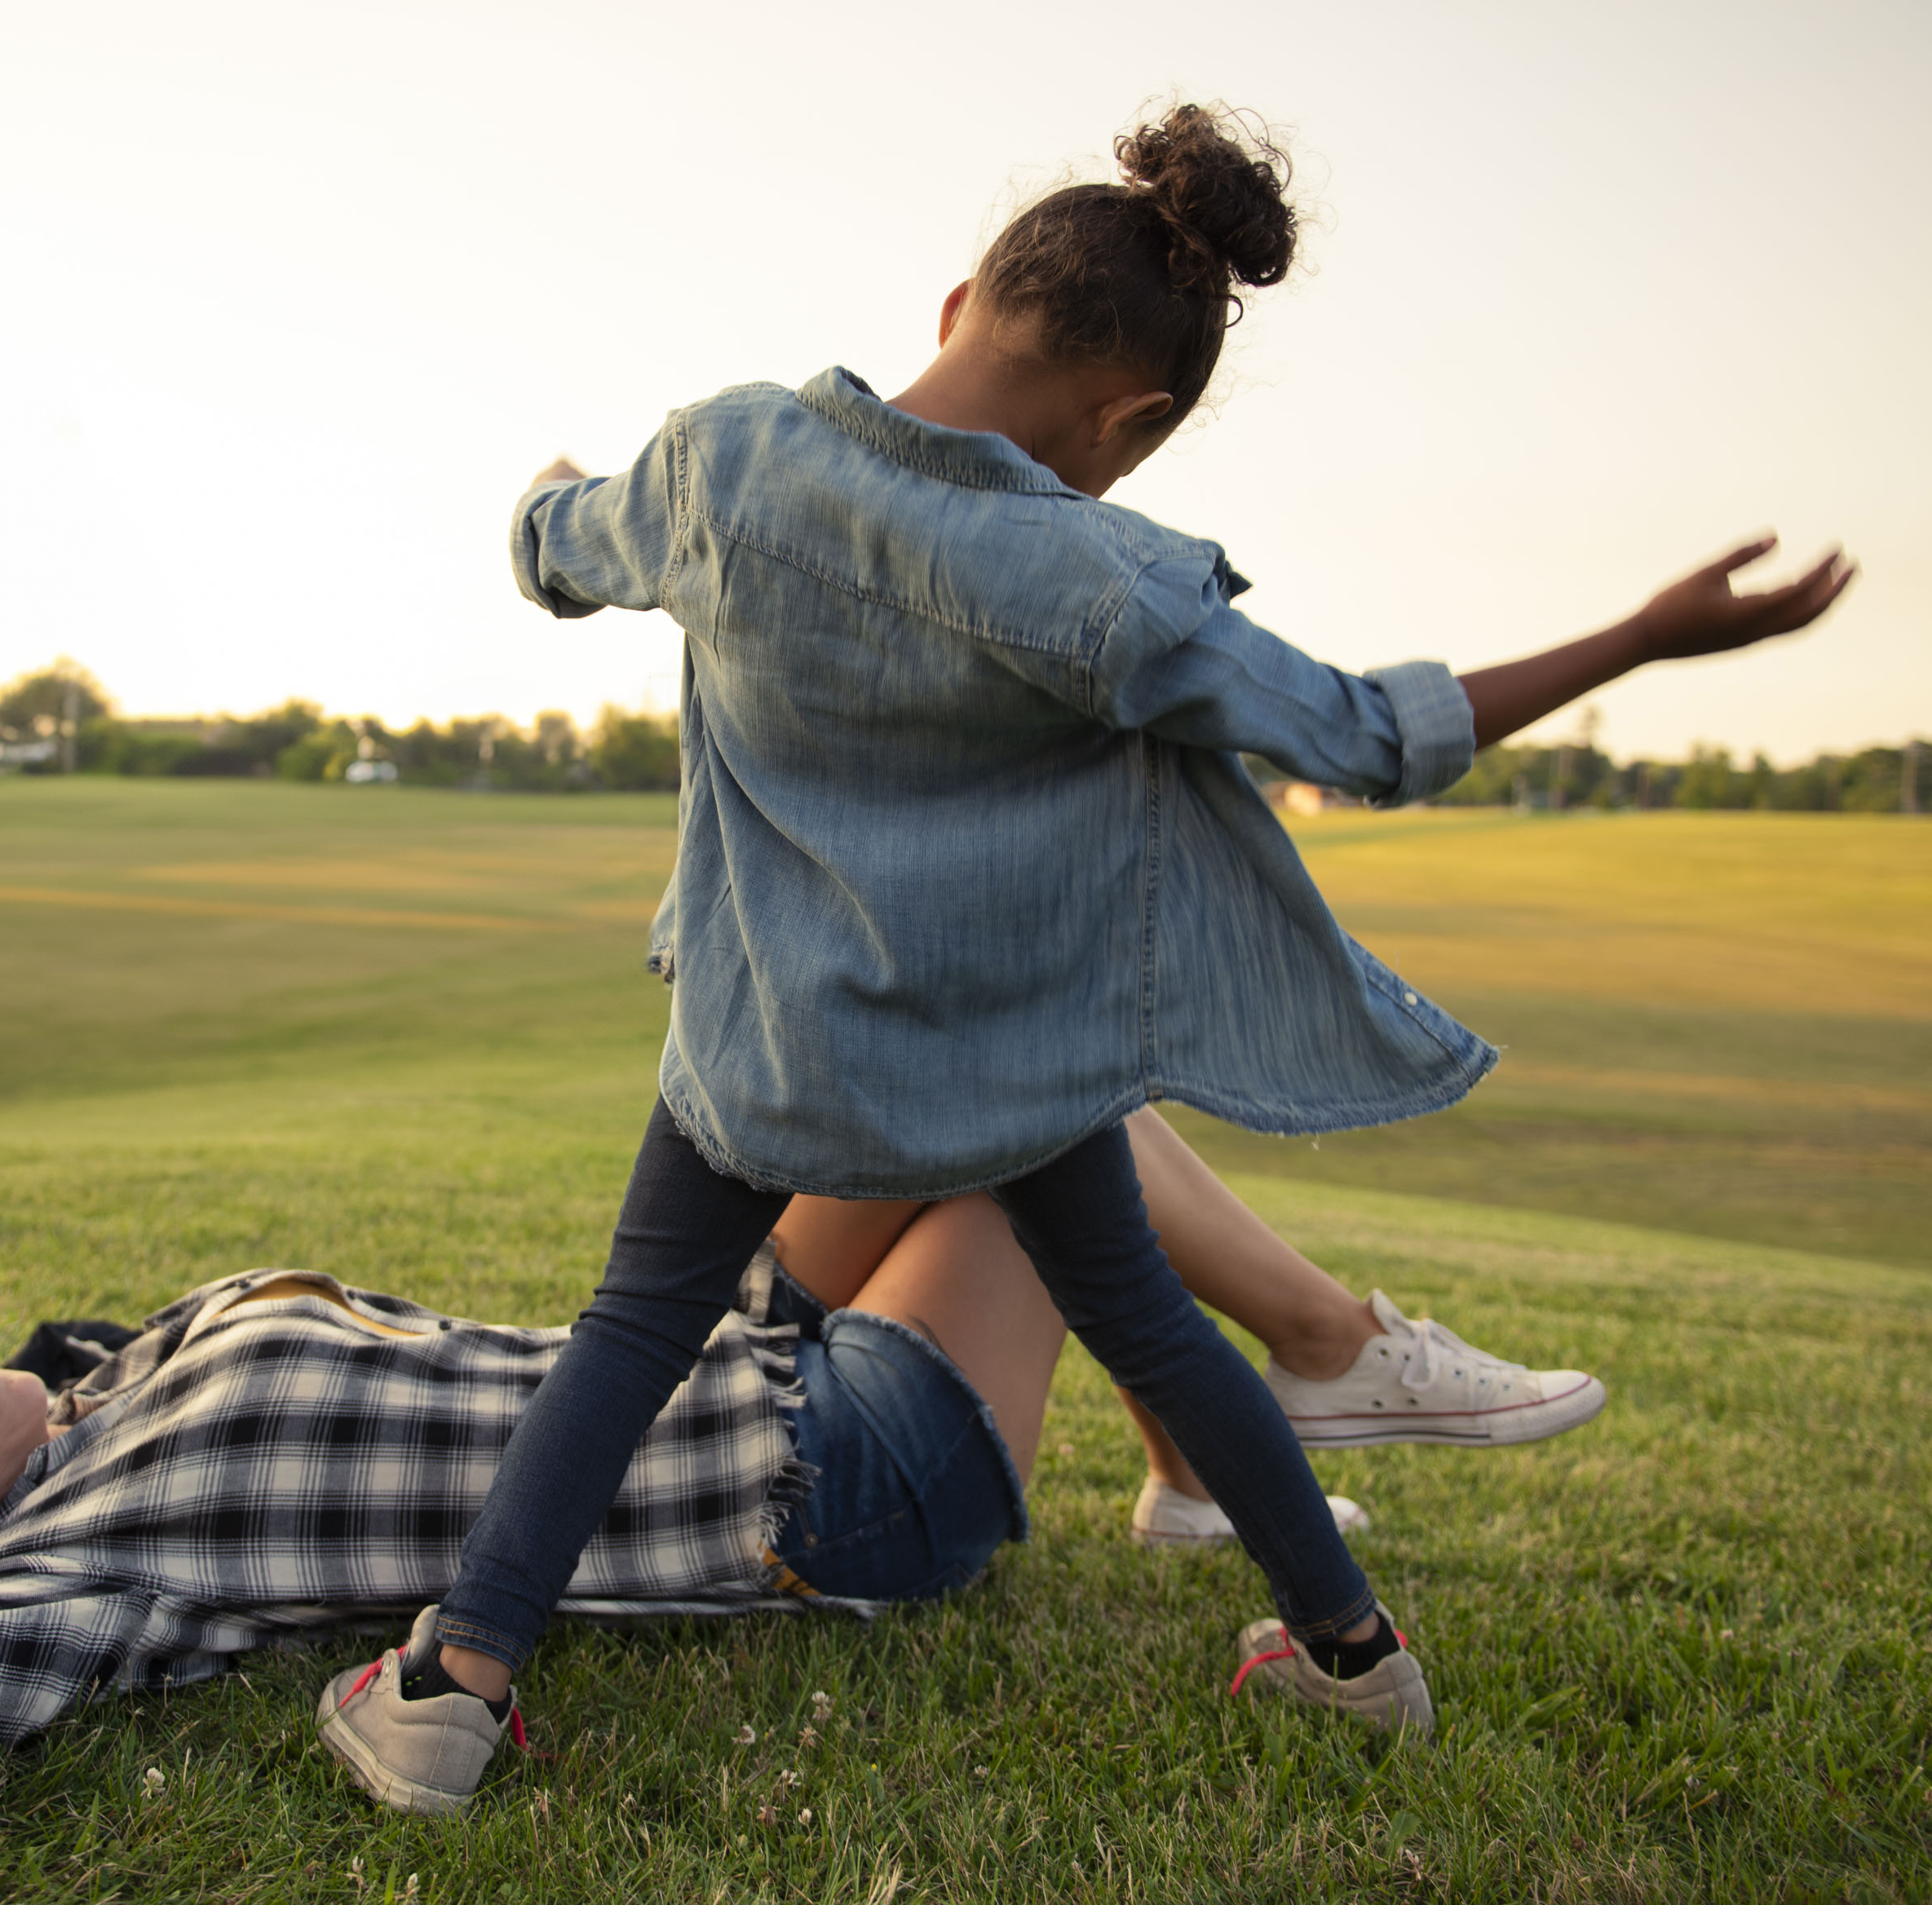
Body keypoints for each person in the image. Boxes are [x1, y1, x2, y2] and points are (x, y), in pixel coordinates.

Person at [327, 95, 1853, 1810]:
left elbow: (554, 550)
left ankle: (448, 1693)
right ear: (1128, 421)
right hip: (1013, 1065)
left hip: (760, 1047)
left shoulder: (717, 462)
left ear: (957, 299)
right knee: (1151, 1321)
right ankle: (1352, 1655)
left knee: (633, 1329)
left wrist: (548, 502)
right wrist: (1646, 636)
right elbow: (1363, 735)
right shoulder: (1109, 584)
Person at [0, 1111, 1594, 1824]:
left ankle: (1221, 1445)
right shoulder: (82, 1555)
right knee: (1039, 1101)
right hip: (832, 1480)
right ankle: (1322, 1360)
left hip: (734, 1347)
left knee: (941, 1058)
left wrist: (40, 1376)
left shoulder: (113, 1389)